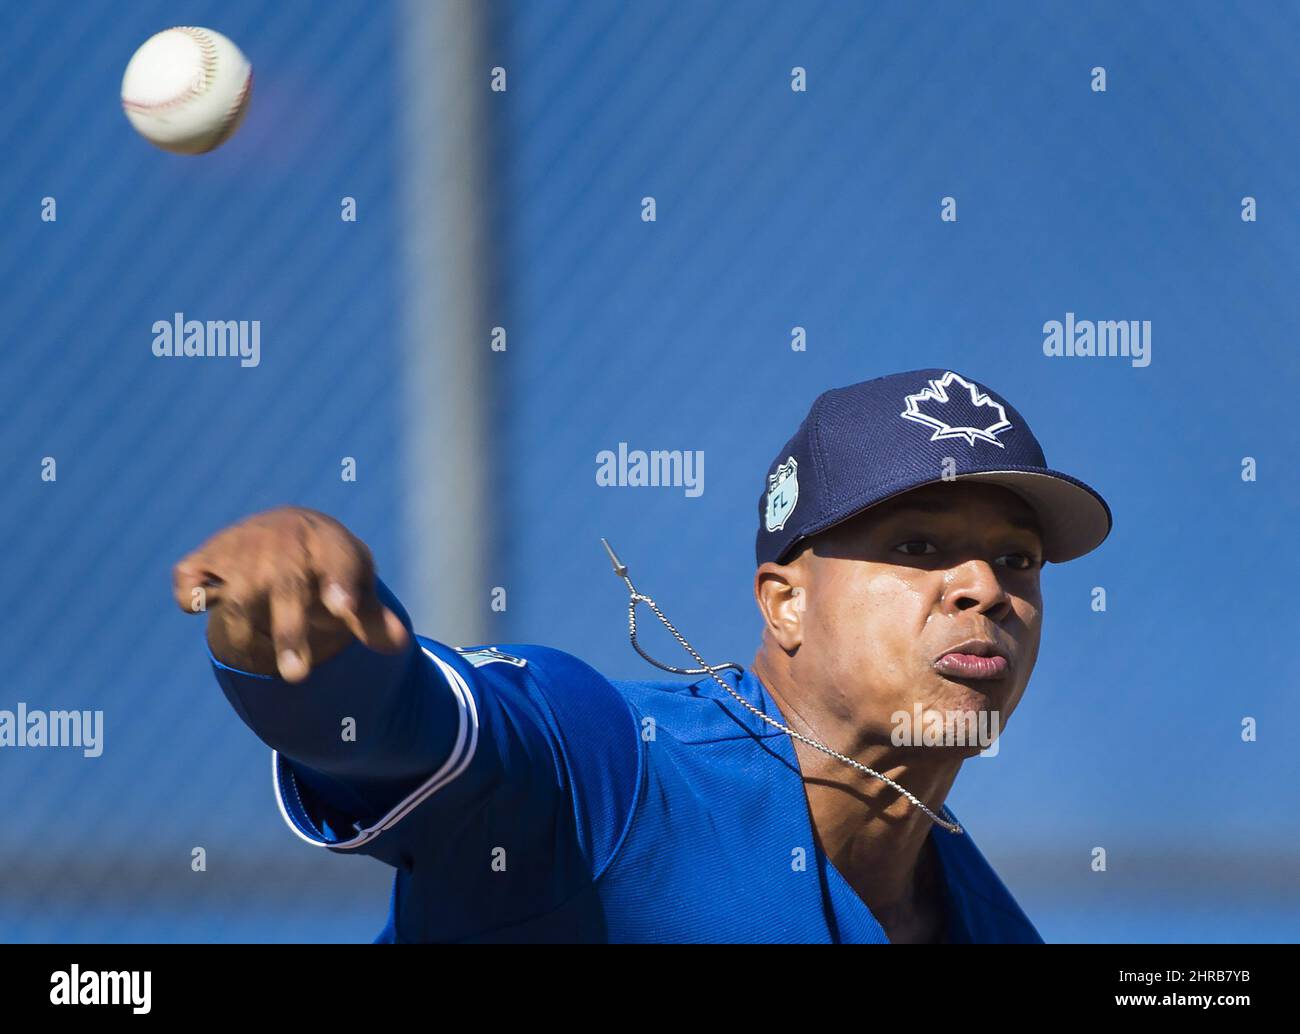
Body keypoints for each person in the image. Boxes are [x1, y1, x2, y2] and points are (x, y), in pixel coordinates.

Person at [173, 368, 1111, 943]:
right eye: (919, 547)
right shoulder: (614, 769)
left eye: (1017, 560)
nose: (986, 588)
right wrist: (300, 629)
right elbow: (397, 728)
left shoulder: (984, 922)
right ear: (785, 603)